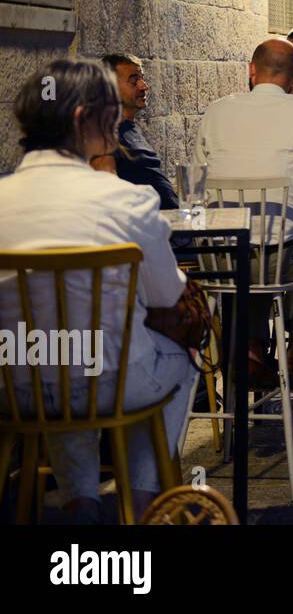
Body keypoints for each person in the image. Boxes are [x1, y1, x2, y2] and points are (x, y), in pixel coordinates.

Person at [0, 59, 198, 522]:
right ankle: (144, 504)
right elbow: (168, 298)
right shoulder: (124, 200)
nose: (118, 121)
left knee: (61, 350)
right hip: (110, 385)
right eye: (110, 110)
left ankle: (82, 502)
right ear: (80, 119)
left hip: (12, 388)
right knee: (175, 357)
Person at [195, 39, 293, 391]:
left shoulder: (216, 111)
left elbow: (195, 188)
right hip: (279, 262)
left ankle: (250, 352)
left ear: (251, 70)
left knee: (253, 247)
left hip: (220, 260)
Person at [96, 53, 179, 209]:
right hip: (149, 228)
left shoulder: (130, 129)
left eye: (142, 78)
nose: (144, 86)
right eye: (134, 80)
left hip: (174, 224)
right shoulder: (106, 137)